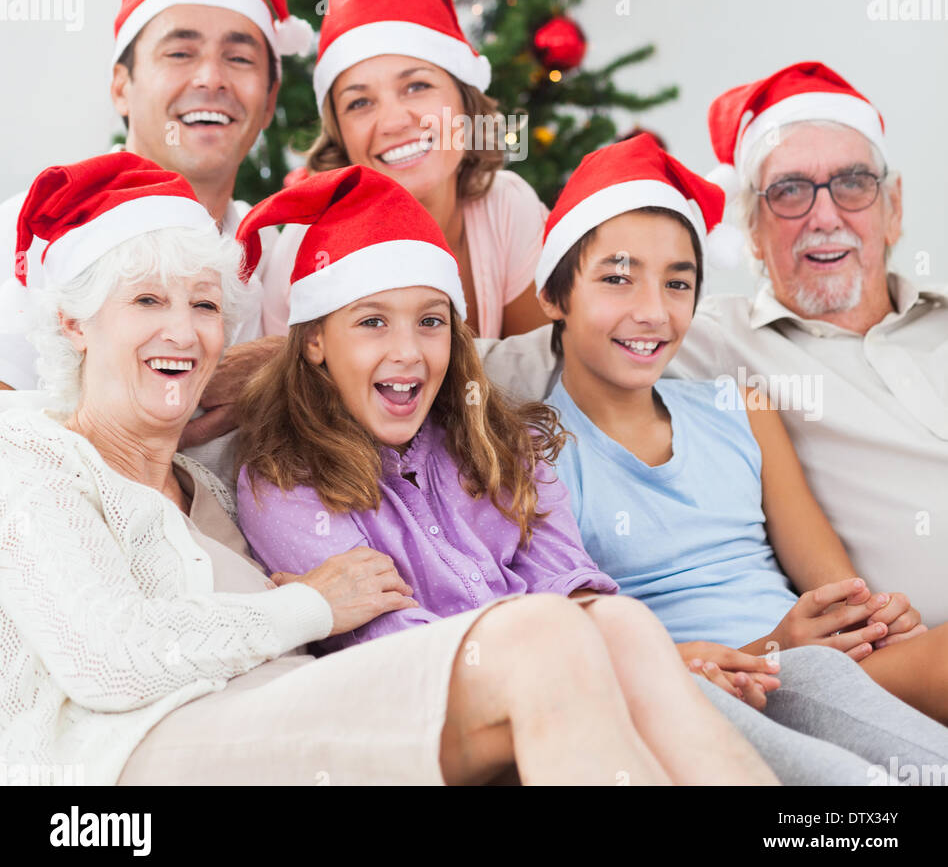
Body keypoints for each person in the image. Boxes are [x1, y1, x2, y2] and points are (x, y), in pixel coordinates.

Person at [0, 152, 777, 788]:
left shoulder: (203, 488)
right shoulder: (29, 453)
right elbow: (110, 659)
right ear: (73, 322)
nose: (184, 332)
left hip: (296, 720)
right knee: (538, 634)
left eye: (204, 306)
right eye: (146, 302)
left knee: (622, 626)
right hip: (117, 766)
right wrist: (307, 606)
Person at [529, 133, 948, 773]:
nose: (651, 311)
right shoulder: (532, 452)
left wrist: (872, 617)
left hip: (816, 662)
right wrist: (775, 647)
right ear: (554, 297)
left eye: (677, 283)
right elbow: (581, 654)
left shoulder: (740, 409)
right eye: (617, 279)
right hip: (704, 686)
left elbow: (838, 591)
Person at [479, 62, 948, 625]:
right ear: (751, 228)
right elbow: (464, 363)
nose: (825, 216)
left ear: (893, 206)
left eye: (852, 183)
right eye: (790, 191)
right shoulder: (715, 343)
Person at [231, 164, 618, 654]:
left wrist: (617, 645)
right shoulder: (285, 482)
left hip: (564, 666)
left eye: (430, 321)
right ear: (314, 341)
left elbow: (569, 582)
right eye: (373, 322)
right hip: (438, 703)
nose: (409, 352)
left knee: (635, 637)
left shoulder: (502, 445)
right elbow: (395, 644)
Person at [0, 0, 315, 473]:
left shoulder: (287, 261)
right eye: (179, 52)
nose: (211, 78)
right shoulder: (30, 232)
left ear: (268, 103)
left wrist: (284, 364)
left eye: (239, 58)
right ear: (121, 86)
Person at [260, 0, 549, 340]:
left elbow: (539, 377)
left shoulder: (508, 207)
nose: (394, 122)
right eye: (359, 103)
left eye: (417, 86)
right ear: (340, 136)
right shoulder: (305, 251)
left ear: (465, 102)